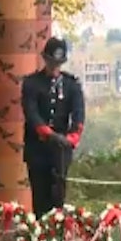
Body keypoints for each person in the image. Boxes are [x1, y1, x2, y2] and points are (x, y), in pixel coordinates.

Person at [21, 37, 85, 216]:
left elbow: (78, 115)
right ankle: (41, 235)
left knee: (58, 196)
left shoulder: (72, 85)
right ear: (45, 60)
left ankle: (57, 234)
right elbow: (31, 113)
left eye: (57, 63)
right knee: (40, 197)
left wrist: (70, 139)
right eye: (51, 62)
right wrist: (49, 135)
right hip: (38, 148)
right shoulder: (32, 83)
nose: (54, 66)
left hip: (61, 149)